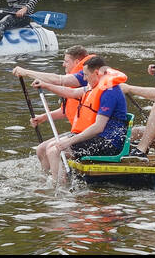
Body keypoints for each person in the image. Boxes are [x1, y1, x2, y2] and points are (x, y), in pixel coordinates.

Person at [35, 57, 128, 185]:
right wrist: (45, 85)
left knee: (54, 150)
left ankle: (59, 188)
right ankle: (43, 182)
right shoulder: (94, 86)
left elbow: (98, 127)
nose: (84, 79)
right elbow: (71, 92)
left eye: (86, 75)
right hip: (95, 137)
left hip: (108, 142)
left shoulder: (109, 92)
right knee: (41, 149)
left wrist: (69, 141)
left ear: (96, 73)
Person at [14, 47, 91, 175]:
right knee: (40, 149)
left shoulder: (85, 76)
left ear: (77, 62)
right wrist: (43, 117)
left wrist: (26, 72)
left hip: (86, 133)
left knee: (51, 149)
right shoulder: (80, 78)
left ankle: (60, 184)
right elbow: (67, 110)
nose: (63, 64)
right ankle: (46, 179)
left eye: (66, 61)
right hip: (77, 130)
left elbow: (59, 79)